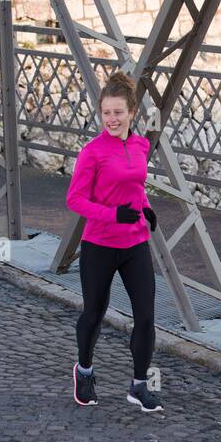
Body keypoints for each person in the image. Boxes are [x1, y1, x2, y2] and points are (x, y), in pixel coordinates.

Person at [65, 71, 162, 412]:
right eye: (106, 112)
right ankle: (85, 371)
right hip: (100, 244)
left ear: (132, 112)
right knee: (94, 312)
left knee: (146, 317)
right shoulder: (92, 152)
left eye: (118, 112)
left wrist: (146, 209)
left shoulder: (140, 144)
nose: (112, 119)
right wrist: (112, 215)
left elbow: (135, 188)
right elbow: (74, 200)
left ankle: (138, 386)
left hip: (135, 244)